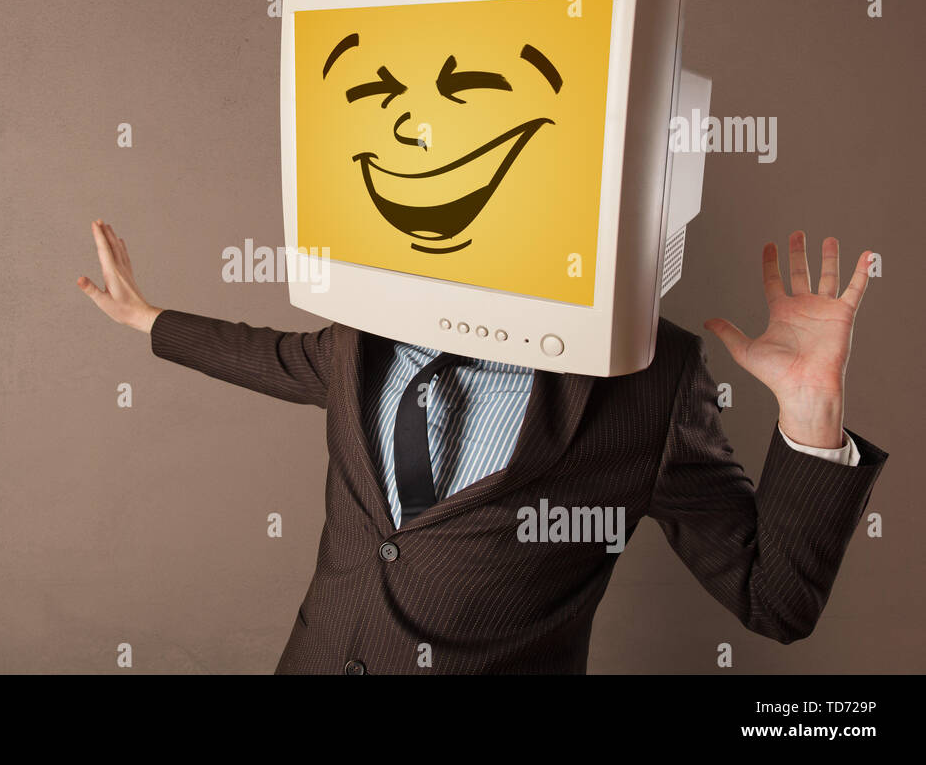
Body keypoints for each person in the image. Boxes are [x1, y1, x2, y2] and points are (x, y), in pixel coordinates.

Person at [77, 219, 887, 674]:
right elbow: (274, 356)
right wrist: (148, 320)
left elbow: (774, 600)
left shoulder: (651, 378)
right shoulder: (369, 323)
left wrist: (811, 411)